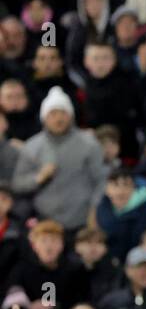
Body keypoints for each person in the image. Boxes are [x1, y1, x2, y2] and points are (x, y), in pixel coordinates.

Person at [10, 86, 107, 231]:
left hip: (82, 221)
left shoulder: (89, 144)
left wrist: (94, 211)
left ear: (71, 116)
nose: (58, 118)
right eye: (53, 113)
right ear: (44, 118)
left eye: (63, 112)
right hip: (44, 224)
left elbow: (101, 180)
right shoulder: (32, 146)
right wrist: (38, 177)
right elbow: (17, 184)